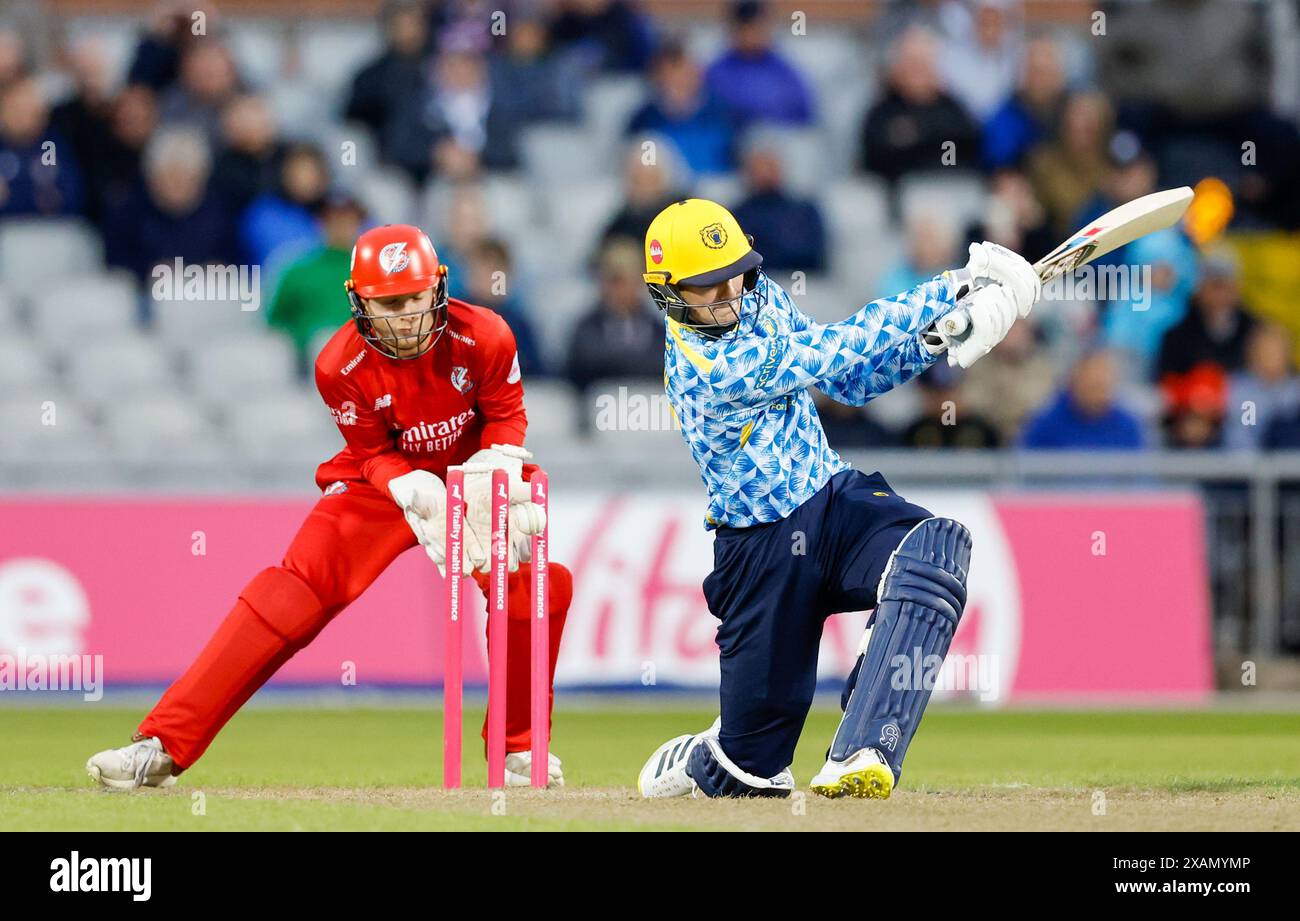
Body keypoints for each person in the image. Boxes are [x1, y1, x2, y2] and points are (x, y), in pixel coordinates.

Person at [86, 225, 574, 790]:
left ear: (438, 288)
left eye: (415, 299)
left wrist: (499, 468)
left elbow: (508, 416)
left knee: (533, 584)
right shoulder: (338, 364)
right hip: (383, 481)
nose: (406, 319)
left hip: (477, 475)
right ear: (359, 300)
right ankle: (163, 746)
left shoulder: (486, 334)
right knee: (291, 595)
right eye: (388, 304)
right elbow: (370, 452)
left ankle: (517, 751)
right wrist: (410, 488)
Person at [634, 200, 1039, 799]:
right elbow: (830, 350)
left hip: (832, 500)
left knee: (934, 551)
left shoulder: (758, 296)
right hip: (760, 553)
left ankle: (863, 749)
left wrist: (940, 339)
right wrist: (953, 289)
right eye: (707, 288)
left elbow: (851, 381)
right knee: (753, 776)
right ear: (669, 295)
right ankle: (707, 756)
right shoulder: (706, 364)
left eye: (734, 275)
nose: (730, 294)